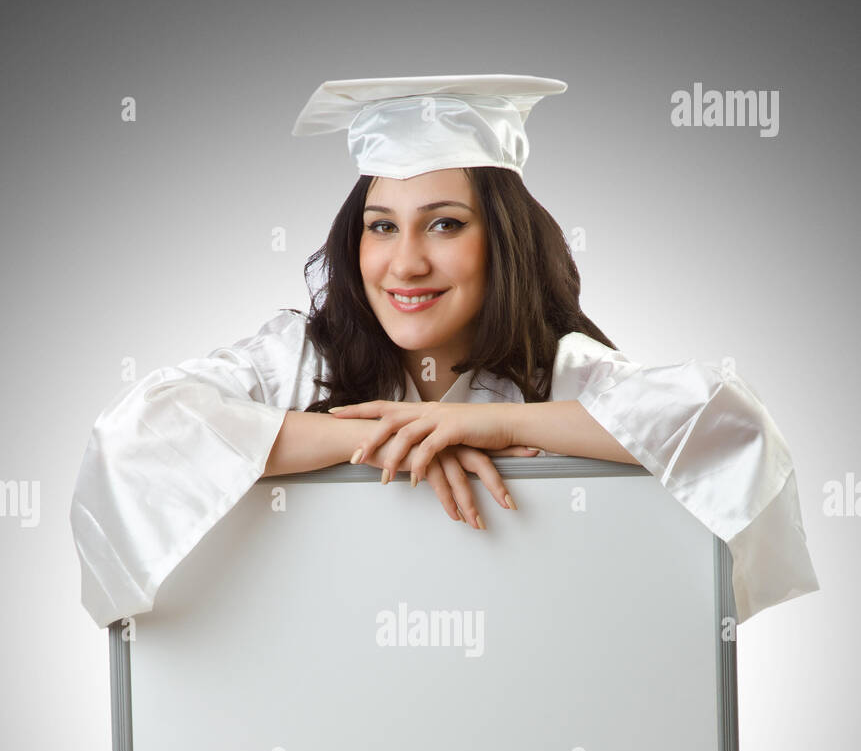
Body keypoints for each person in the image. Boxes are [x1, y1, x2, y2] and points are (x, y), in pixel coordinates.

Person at [70, 74, 820, 630]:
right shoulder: (298, 360)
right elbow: (137, 435)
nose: (403, 265)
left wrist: (494, 426)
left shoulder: (556, 372)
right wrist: (373, 438)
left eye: (444, 224)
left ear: (503, 240)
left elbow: (732, 428)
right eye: (381, 226)